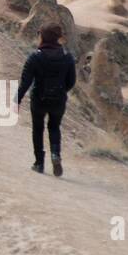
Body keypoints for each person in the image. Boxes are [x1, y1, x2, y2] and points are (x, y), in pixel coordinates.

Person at [17, 24, 76, 177]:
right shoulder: (67, 57)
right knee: (54, 127)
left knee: (38, 129)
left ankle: (39, 163)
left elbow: (25, 82)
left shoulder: (35, 57)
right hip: (58, 100)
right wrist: (62, 91)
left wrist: (16, 100)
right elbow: (71, 81)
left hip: (39, 99)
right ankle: (55, 154)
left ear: (43, 37)